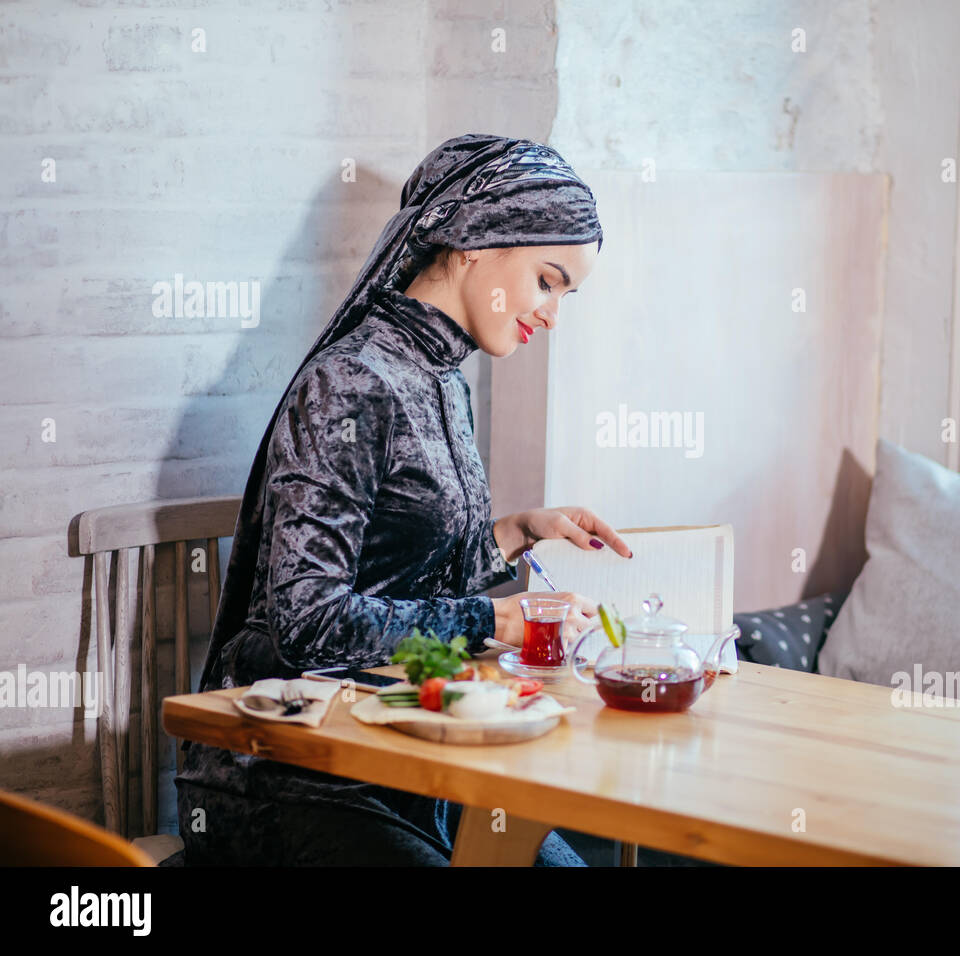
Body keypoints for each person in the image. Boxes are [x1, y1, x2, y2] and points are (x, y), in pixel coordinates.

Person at [175, 134, 632, 866]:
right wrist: (495, 618)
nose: (552, 315)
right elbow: (309, 623)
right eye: (548, 281)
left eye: (565, 295)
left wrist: (517, 530)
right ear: (476, 241)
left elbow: (398, 570)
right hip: (296, 772)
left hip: (412, 749)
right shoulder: (350, 382)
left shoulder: (444, 376)